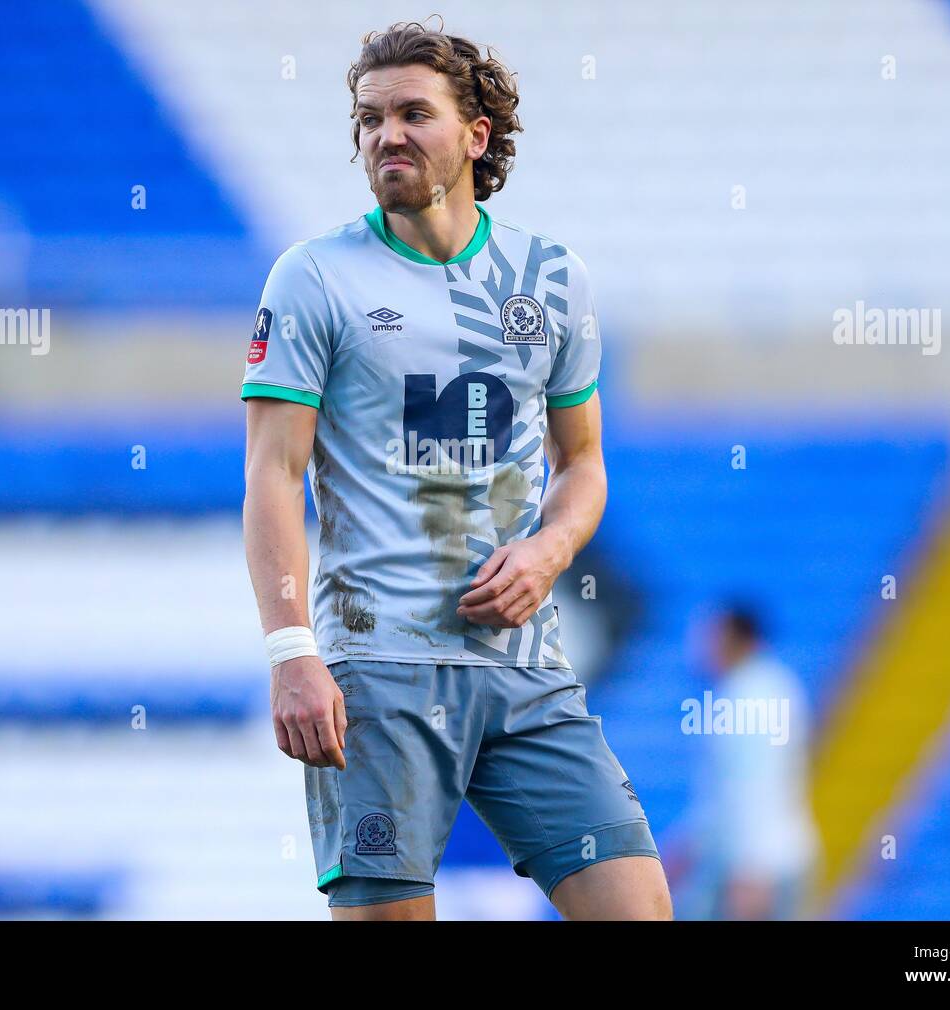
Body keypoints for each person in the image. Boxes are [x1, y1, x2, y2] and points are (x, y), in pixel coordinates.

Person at [240, 19, 672, 920]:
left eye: (412, 113)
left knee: (639, 909)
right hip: (378, 670)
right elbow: (272, 480)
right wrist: (291, 655)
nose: (385, 135)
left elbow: (583, 463)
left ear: (476, 137)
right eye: (368, 119)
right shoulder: (313, 278)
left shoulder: (550, 279)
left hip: (525, 670)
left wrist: (550, 552)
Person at [671, 604, 820, 920]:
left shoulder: (750, 697)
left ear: (733, 638)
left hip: (758, 868)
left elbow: (753, 786)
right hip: (765, 858)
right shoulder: (768, 685)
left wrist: (752, 868)